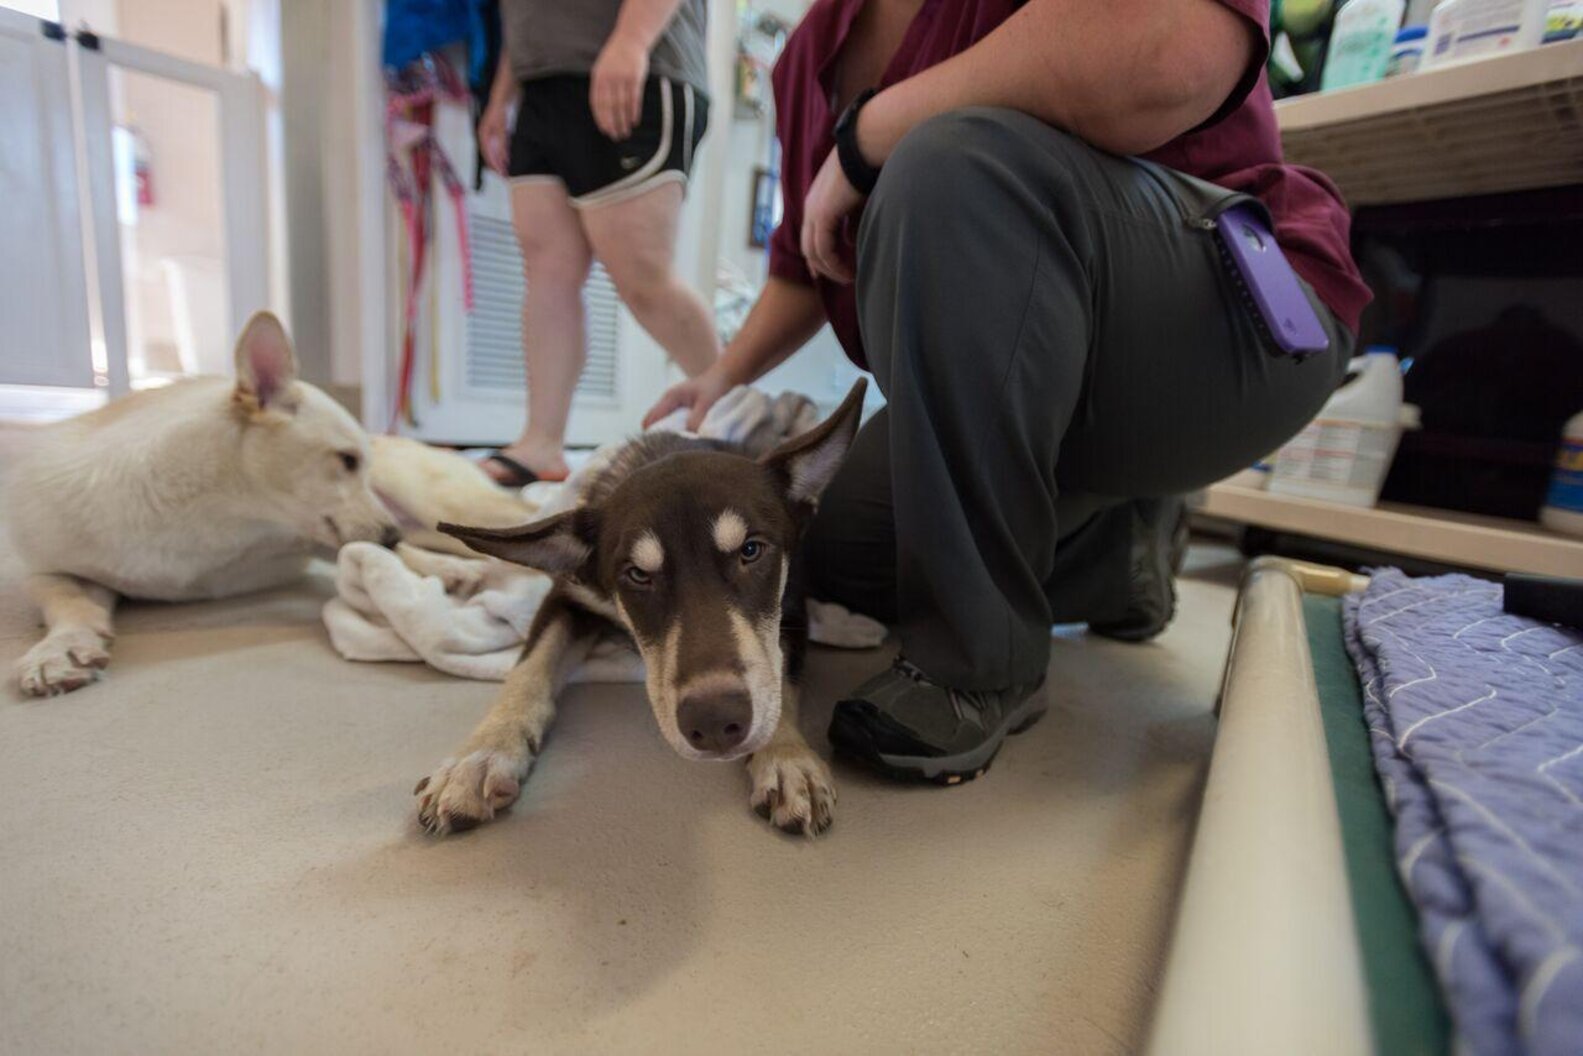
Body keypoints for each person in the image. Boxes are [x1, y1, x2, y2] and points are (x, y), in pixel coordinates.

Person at [644, 0, 1370, 783]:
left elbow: (1172, 49)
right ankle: (1118, 554)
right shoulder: (805, 58)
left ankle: (976, 661)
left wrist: (866, 136)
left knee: (949, 163)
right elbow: (804, 261)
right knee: (823, 540)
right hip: (1028, 380)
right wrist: (720, 374)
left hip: (1225, 315)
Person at [476, 0, 719, 485]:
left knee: (644, 277)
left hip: (639, 66)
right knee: (547, 271)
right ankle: (541, 441)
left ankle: (741, 425)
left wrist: (631, 41)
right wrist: (505, 91)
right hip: (541, 83)